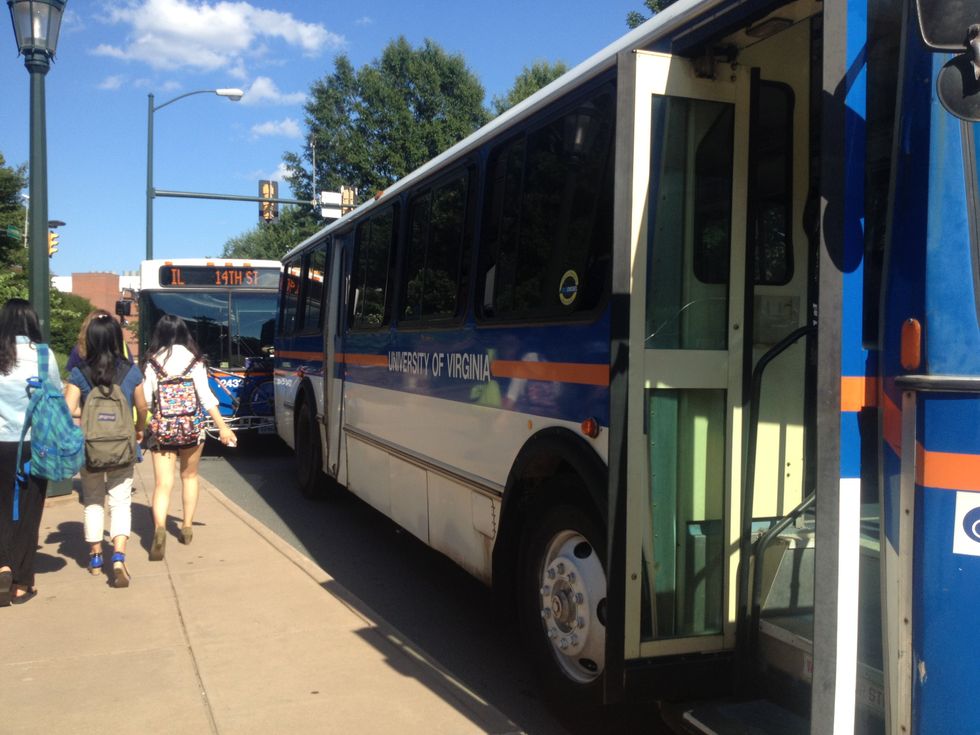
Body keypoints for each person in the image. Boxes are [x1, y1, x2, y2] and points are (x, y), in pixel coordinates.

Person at [142, 315, 235, 561]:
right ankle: (186, 526)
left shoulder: (152, 362)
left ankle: (160, 528)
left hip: (163, 428)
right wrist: (223, 427)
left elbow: (148, 400)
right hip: (192, 427)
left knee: (163, 483)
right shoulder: (195, 361)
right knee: (189, 476)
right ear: (184, 334)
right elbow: (206, 397)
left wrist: (149, 420)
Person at [64, 314, 147, 587]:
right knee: (120, 501)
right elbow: (143, 406)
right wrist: (138, 427)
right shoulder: (131, 372)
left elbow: (67, 410)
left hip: (91, 449)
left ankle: (96, 556)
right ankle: (119, 556)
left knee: (93, 501)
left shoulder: (79, 373)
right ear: (116, 339)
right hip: (122, 447)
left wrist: (84, 412)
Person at [0, 299, 63, 606]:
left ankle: (2, 565)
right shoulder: (43, 355)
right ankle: (21, 583)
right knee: (29, 510)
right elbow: (56, 398)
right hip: (33, 445)